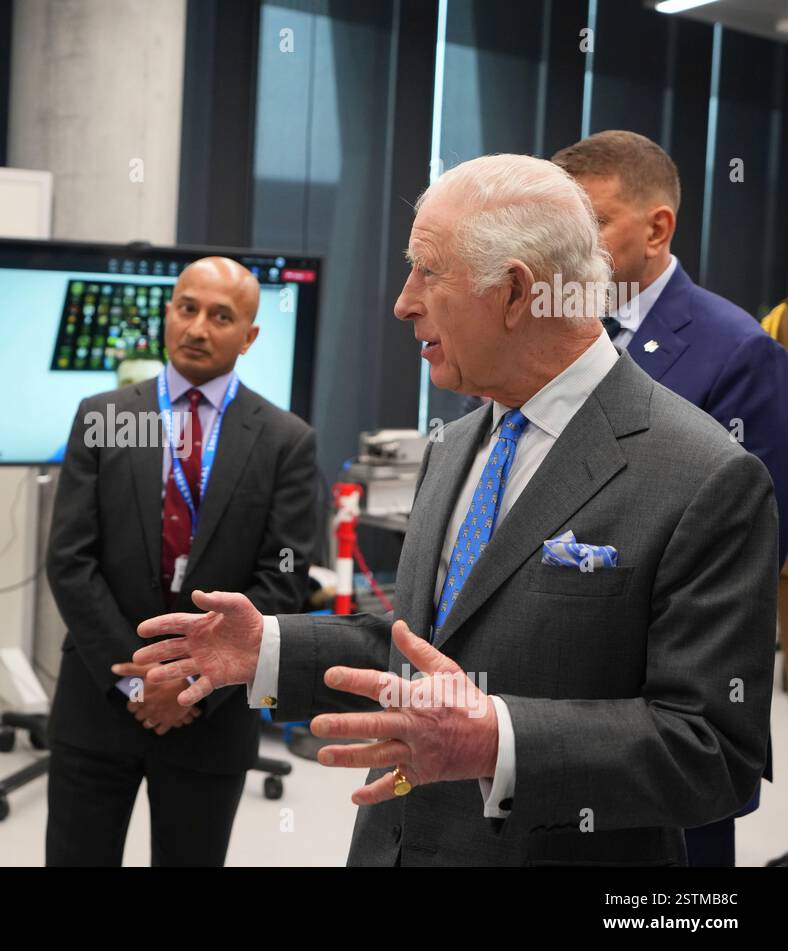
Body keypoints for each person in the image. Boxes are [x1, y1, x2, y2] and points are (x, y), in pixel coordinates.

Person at [131, 155, 777, 866]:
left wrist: (498, 739)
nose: (404, 302)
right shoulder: (459, 441)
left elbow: (713, 752)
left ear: (516, 291)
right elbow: (426, 645)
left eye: (427, 272)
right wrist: (271, 649)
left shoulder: (703, 475)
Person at [553, 130, 788, 865]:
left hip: (667, 704)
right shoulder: (554, 328)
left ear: (657, 228)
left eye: (592, 225)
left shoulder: (737, 348)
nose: (572, 247)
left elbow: (753, 544)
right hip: (550, 692)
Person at [45, 257, 317, 866]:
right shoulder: (105, 416)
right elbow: (69, 559)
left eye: (221, 316)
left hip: (212, 714)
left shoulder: (284, 441)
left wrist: (193, 685)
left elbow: (283, 578)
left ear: (249, 336)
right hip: (99, 698)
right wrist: (139, 677)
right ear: (168, 313)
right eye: (187, 308)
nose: (197, 327)